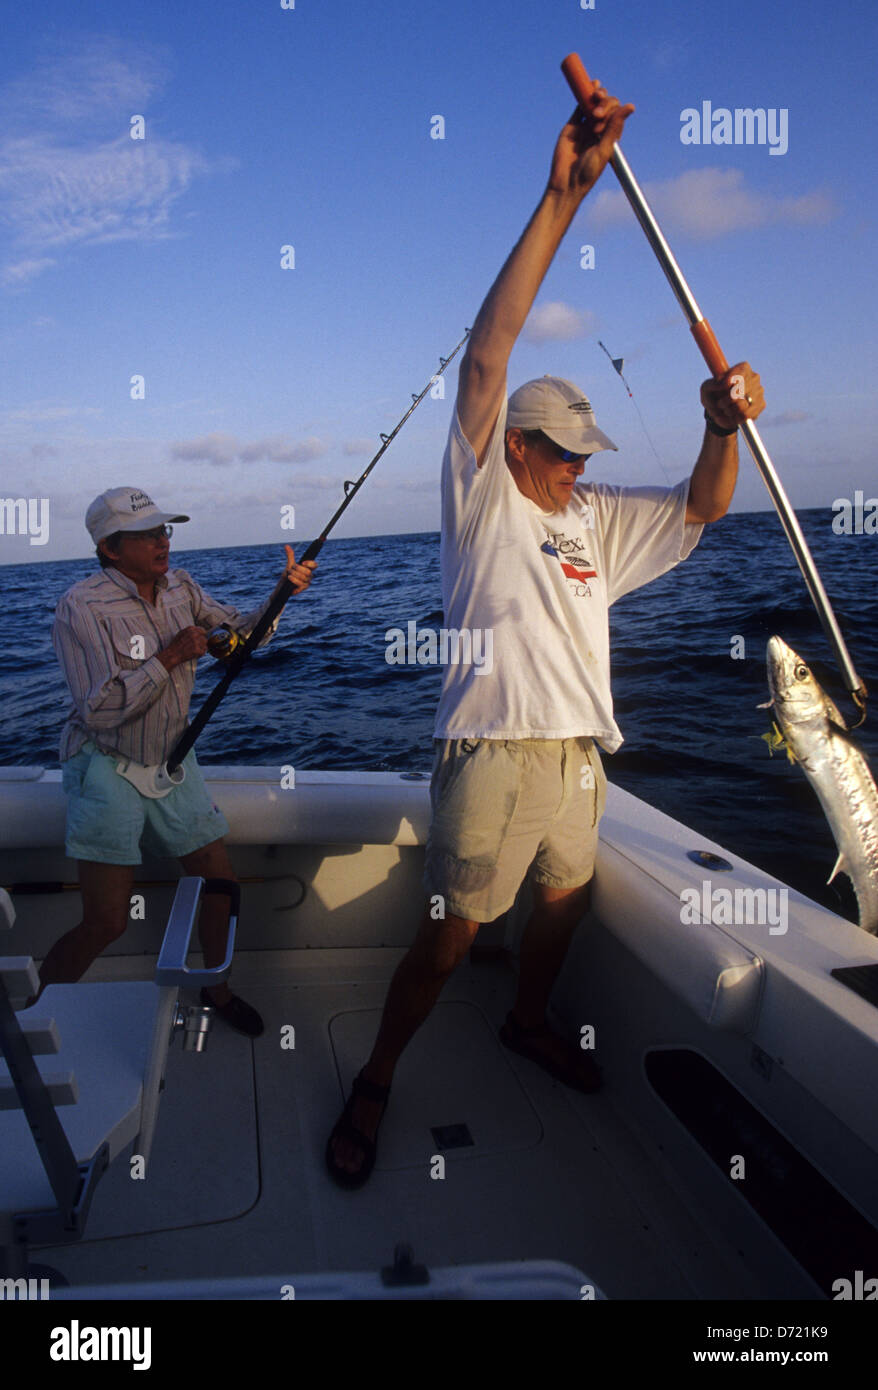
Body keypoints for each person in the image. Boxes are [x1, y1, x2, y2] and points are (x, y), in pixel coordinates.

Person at [326, 82, 764, 1185]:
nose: (577, 466)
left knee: (564, 901)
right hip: (490, 753)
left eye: (583, 451)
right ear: (513, 443)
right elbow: (487, 351)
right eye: (561, 449)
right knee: (451, 933)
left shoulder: (591, 518)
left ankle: (527, 1020)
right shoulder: (483, 497)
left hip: (579, 755)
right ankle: (376, 1073)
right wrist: (559, 198)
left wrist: (720, 427)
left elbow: (704, 508)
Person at [34, 486, 316, 1036]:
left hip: (172, 759)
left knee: (220, 883)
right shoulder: (80, 606)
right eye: (146, 534)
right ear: (111, 548)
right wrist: (169, 657)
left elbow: (241, 634)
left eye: (164, 530)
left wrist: (281, 594)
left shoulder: (182, 586)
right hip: (106, 765)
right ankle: (33, 1015)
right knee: (108, 921)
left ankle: (218, 986)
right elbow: (98, 710)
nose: (163, 541)